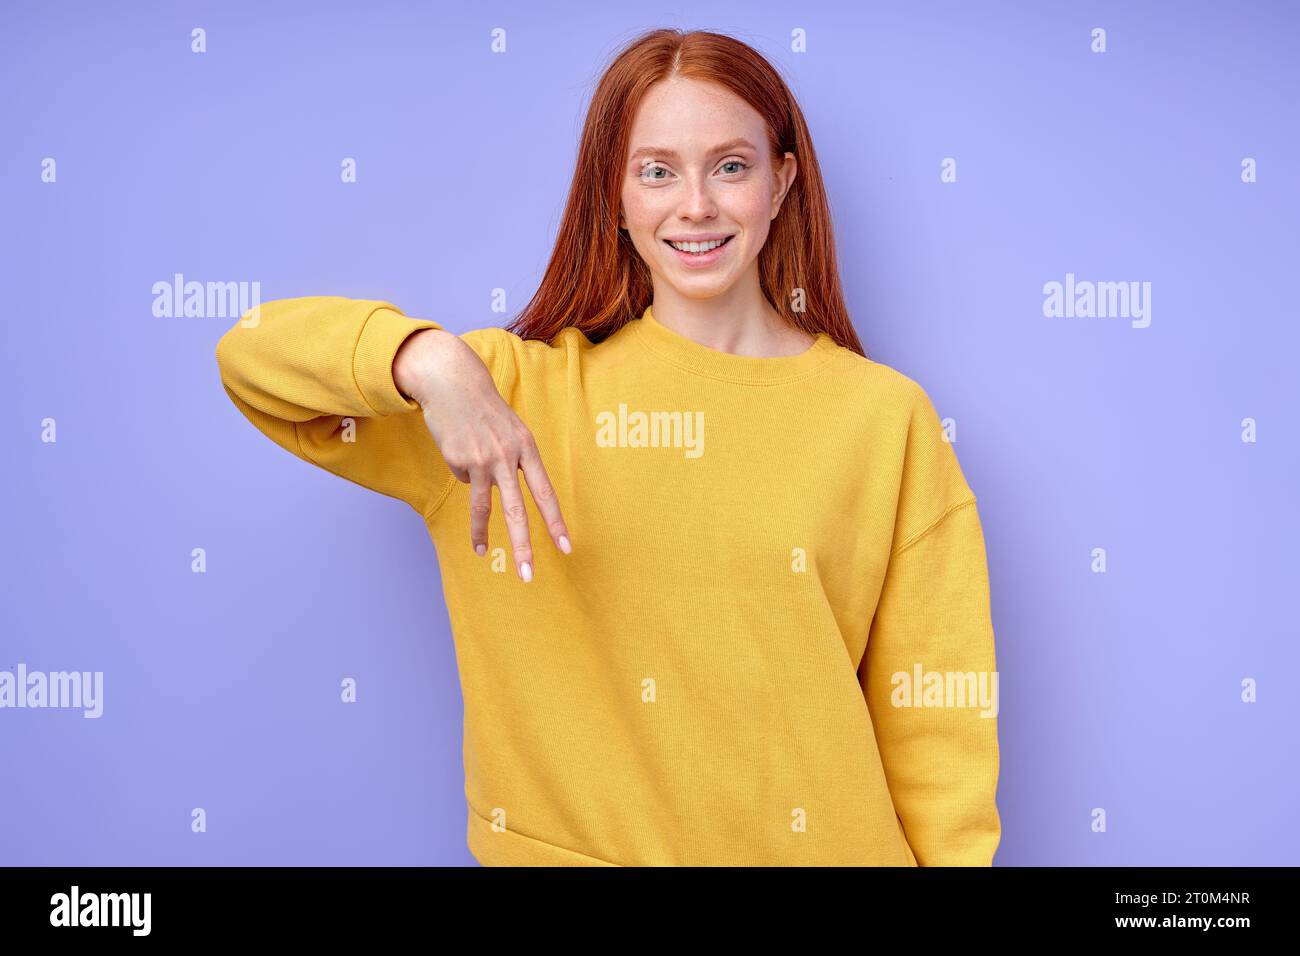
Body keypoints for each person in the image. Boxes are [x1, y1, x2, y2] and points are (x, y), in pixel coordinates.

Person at [215, 27, 1000, 866]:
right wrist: (426, 360)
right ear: (615, 198)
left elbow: (940, 739)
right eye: (656, 170)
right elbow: (252, 357)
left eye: (730, 166)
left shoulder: (884, 418)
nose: (694, 204)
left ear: (782, 182)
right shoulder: (504, 400)